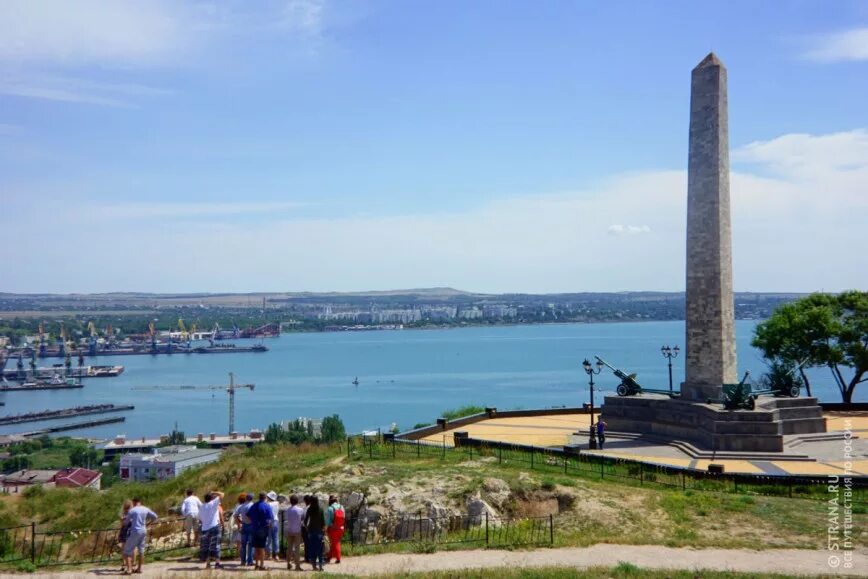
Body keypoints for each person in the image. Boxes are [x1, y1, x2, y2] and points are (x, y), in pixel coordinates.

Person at [122, 497, 157, 575]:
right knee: (141, 551)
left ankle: (129, 570)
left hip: (134, 531)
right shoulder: (145, 509)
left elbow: (126, 523)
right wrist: (148, 523)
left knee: (127, 551)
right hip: (143, 530)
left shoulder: (132, 510)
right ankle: (139, 568)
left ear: (134, 502)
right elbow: (155, 516)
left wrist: (123, 520)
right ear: (140, 502)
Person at [247, 492, 274, 570]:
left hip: (254, 528)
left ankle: (256, 565)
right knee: (262, 547)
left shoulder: (254, 505)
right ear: (265, 497)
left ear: (259, 497)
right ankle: (262, 565)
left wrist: (253, 521)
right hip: (263, 528)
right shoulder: (267, 506)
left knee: (256, 547)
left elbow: (248, 515)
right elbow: (270, 517)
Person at [198, 491, 225, 569]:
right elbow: (222, 494)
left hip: (205, 528)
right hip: (214, 526)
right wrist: (214, 492)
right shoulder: (213, 503)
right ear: (211, 498)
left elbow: (200, 518)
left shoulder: (202, 507)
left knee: (206, 546)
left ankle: (208, 563)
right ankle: (217, 563)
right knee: (216, 545)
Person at [303, 495, 325, 571]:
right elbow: (323, 522)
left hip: (311, 532)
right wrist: (323, 531)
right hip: (319, 531)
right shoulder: (321, 509)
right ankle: (321, 566)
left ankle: (314, 566)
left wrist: (307, 529)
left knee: (312, 549)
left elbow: (305, 522)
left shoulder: (309, 509)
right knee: (320, 549)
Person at [283, 495, 305, 571]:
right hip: (297, 530)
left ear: (290, 501)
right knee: (297, 548)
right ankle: (297, 565)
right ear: (297, 501)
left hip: (289, 530)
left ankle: (288, 563)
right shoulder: (300, 510)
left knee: (289, 548)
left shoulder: (288, 510)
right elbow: (302, 519)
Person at [235, 492, 255, 566]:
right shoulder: (252, 505)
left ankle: (243, 561)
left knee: (243, 545)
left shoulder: (242, 506)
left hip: (244, 525)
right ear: (252, 498)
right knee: (251, 544)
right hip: (251, 525)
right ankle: (250, 561)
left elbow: (235, 515)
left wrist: (239, 524)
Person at [325, 495, 345, 564]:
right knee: (334, 543)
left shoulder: (330, 508)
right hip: (341, 528)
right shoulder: (341, 507)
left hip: (333, 529)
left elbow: (327, 522)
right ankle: (329, 557)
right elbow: (344, 517)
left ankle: (338, 558)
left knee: (336, 543)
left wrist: (325, 529)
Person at [117, 500, 133, 571]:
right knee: (125, 549)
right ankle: (127, 564)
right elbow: (122, 523)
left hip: (127, 531)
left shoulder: (130, 514)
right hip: (126, 532)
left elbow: (123, 524)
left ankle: (127, 565)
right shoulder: (126, 514)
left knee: (125, 549)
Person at [266, 491, 281, 561]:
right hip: (276, 520)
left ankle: (270, 555)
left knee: (269, 538)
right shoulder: (277, 503)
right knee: (276, 538)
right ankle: (277, 555)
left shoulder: (268, 504)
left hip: (269, 521)